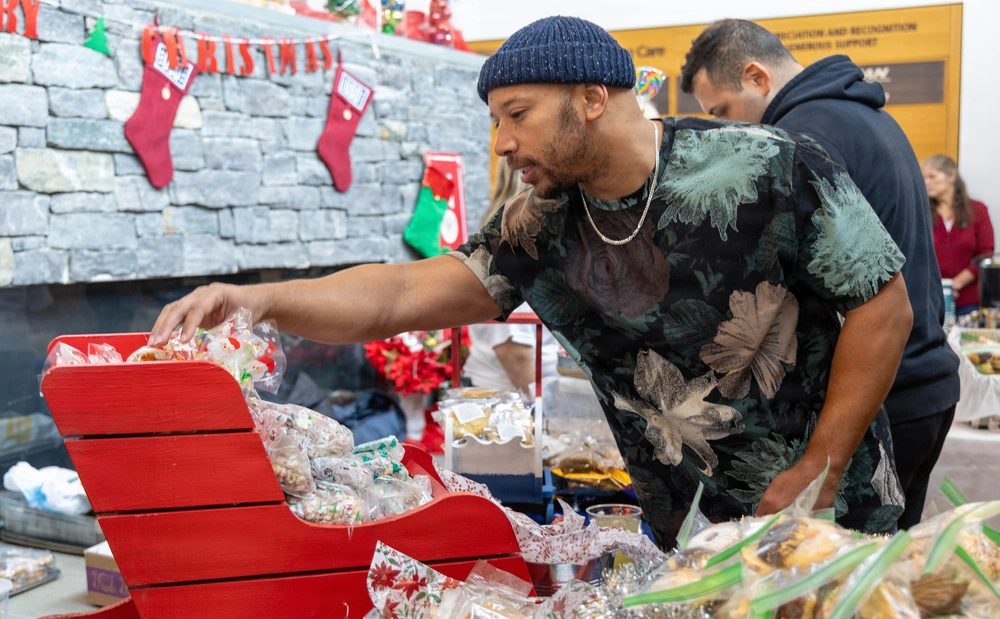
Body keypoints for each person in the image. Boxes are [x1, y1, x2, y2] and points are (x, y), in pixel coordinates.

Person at [150, 16, 914, 548]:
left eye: (516, 114)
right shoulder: (538, 221)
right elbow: (402, 295)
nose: (504, 142)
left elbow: (884, 306)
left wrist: (823, 465)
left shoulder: (768, 166)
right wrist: (259, 299)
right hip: (691, 535)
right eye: (495, 121)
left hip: (828, 518)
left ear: (591, 98)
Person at [681, 19, 959, 529]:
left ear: (757, 77)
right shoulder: (865, 115)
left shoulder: (799, 139)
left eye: (721, 111)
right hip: (926, 379)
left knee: (831, 593)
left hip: (877, 398)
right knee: (882, 587)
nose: (726, 130)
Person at [464, 160, 560, 396]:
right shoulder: (515, 238)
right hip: (508, 400)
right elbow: (513, 349)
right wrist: (541, 416)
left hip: (510, 391)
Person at [923, 154, 995, 317]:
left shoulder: (978, 210)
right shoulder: (922, 212)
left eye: (932, 176)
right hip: (930, 300)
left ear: (952, 176)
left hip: (970, 304)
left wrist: (954, 285)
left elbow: (985, 254)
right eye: (924, 177)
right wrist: (938, 289)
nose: (926, 182)